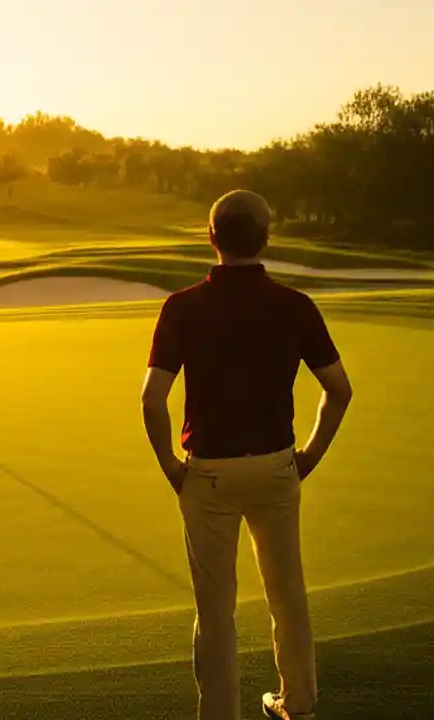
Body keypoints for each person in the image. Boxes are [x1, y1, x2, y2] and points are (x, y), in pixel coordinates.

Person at [140, 190, 353, 720]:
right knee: (287, 594)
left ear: (211, 237)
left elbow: (152, 398)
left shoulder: (182, 307)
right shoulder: (294, 305)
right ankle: (299, 703)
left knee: (215, 612)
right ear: (266, 238)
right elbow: (339, 390)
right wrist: (308, 456)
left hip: (208, 474)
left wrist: (170, 466)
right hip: (277, 467)